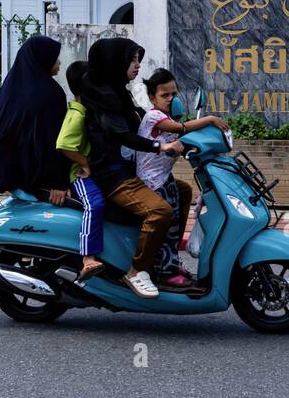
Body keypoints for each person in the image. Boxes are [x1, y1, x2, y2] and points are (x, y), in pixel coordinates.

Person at [81, 38, 185, 299]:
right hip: (115, 176)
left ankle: (166, 261)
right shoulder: (103, 99)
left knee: (183, 192)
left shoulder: (118, 92)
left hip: (130, 170)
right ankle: (137, 270)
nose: (137, 65)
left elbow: (142, 117)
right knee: (160, 211)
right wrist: (158, 147)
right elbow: (123, 135)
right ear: (114, 63)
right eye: (132, 60)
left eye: (137, 59)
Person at [136, 67, 229, 289]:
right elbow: (181, 128)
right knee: (168, 227)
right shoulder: (154, 116)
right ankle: (164, 272)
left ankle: (171, 264)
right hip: (152, 183)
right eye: (164, 95)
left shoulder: (166, 116)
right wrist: (210, 120)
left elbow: (183, 133)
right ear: (152, 98)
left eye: (174, 94)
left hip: (164, 179)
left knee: (175, 225)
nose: (170, 99)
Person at [0, 35, 70, 202]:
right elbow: (53, 140)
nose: (59, 63)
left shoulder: (11, 86)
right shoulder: (49, 92)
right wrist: (58, 182)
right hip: (38, 181)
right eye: (55, 58)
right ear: (43, 58)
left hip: (13, 177)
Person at [55, 60, 105, 283]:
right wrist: (84, 163)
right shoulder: (78, 115)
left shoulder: (87, 111)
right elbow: (64, 144)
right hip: (78, 176)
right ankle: (88, 258)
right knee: (94, 203)